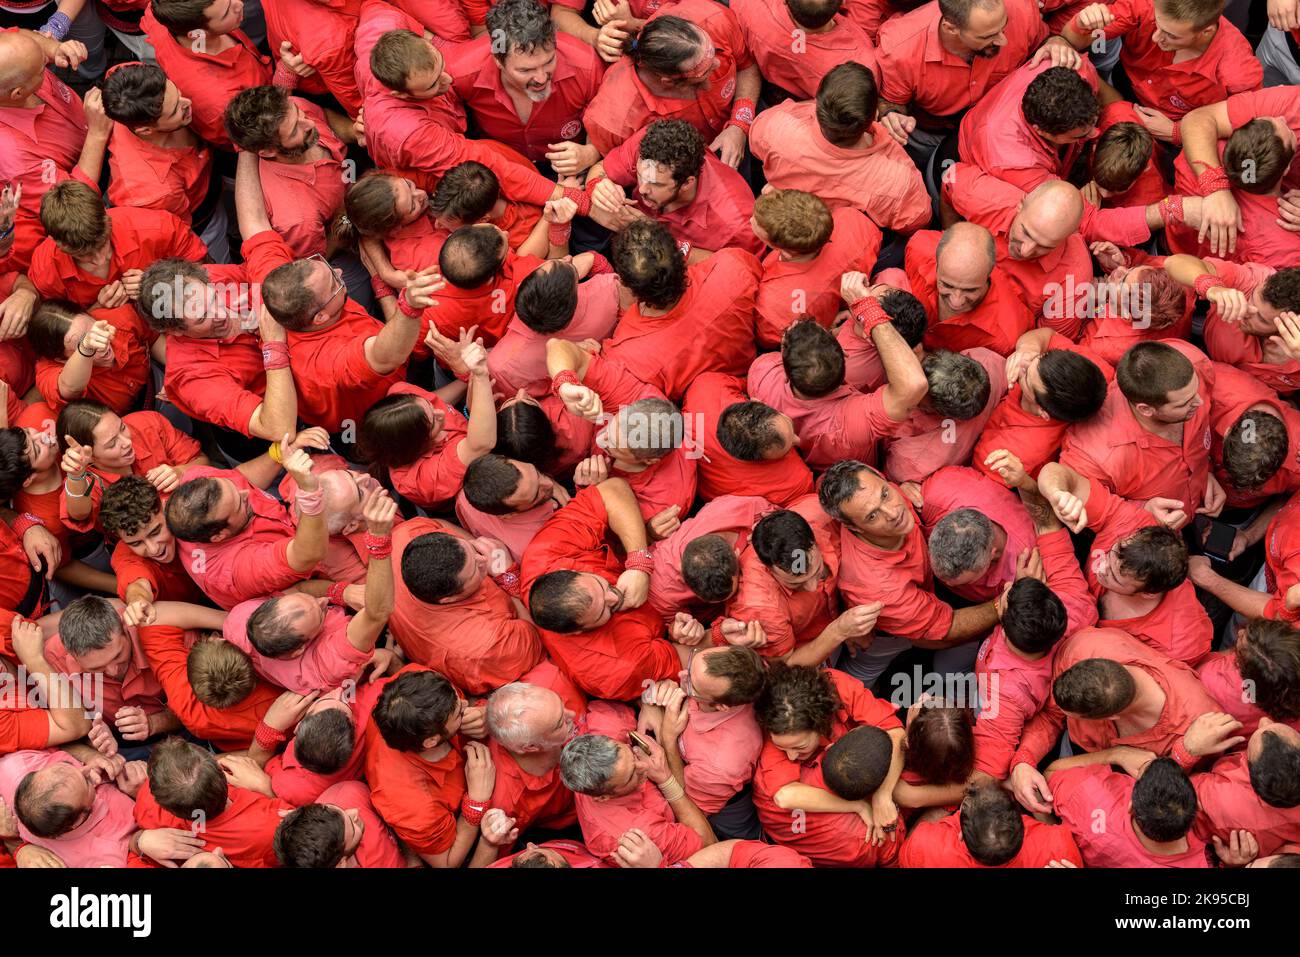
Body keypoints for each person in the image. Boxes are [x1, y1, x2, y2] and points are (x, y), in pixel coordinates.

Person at [750, 62, 930, 233]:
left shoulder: (777, 128)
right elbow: (917, 221)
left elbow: (754, 136)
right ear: (874, 114)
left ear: (818, 107)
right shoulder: (896, 182)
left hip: (793, 227)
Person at [559, 700, 716, 866]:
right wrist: (666, 775)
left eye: (632, 754)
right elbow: (708, 843)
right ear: (603, 797)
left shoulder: (606, 726)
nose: (643, 766)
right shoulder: (637, 835)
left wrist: (647, 703)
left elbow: (611, 702)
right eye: (631, 776)